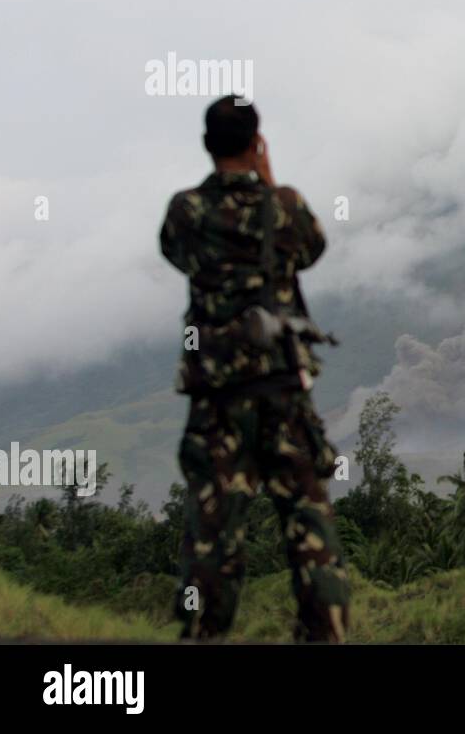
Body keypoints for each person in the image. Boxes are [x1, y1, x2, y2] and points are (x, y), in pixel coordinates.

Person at [159, 96, 350, 642]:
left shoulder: (186, 212)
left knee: (212, 538)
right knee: (311, 528)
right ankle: (326, 632)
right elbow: (312, 248)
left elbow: (175, 254)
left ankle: (202, 634)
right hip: (285, 393)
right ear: (256, 143)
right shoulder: (286, 207)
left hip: (218, 400)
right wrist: (267, 187)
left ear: (206, 144)